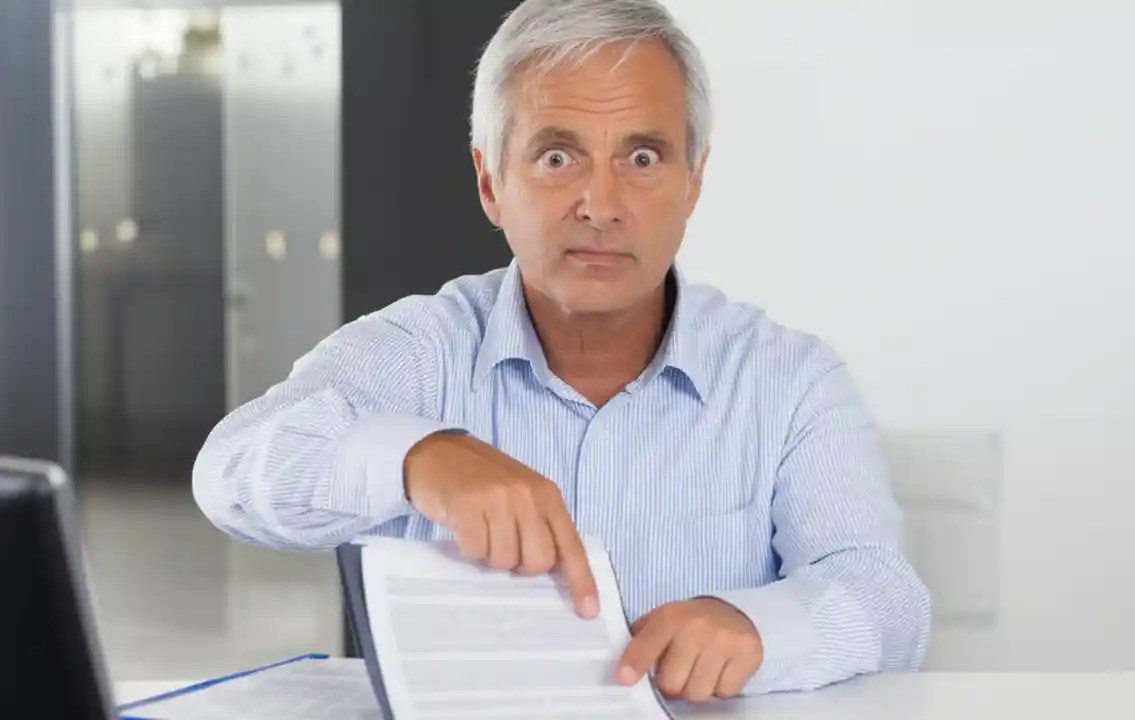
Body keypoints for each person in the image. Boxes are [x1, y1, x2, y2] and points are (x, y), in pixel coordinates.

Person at [193, 0, 930, 702]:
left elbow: (884, 596)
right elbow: (228, 470)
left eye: (643, 157)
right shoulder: (420, 353)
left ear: (693, 183)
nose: (601, 205)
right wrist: (418, 459)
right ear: (490, 182)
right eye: (556, 157)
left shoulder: (790, 381)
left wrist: (756, 630)